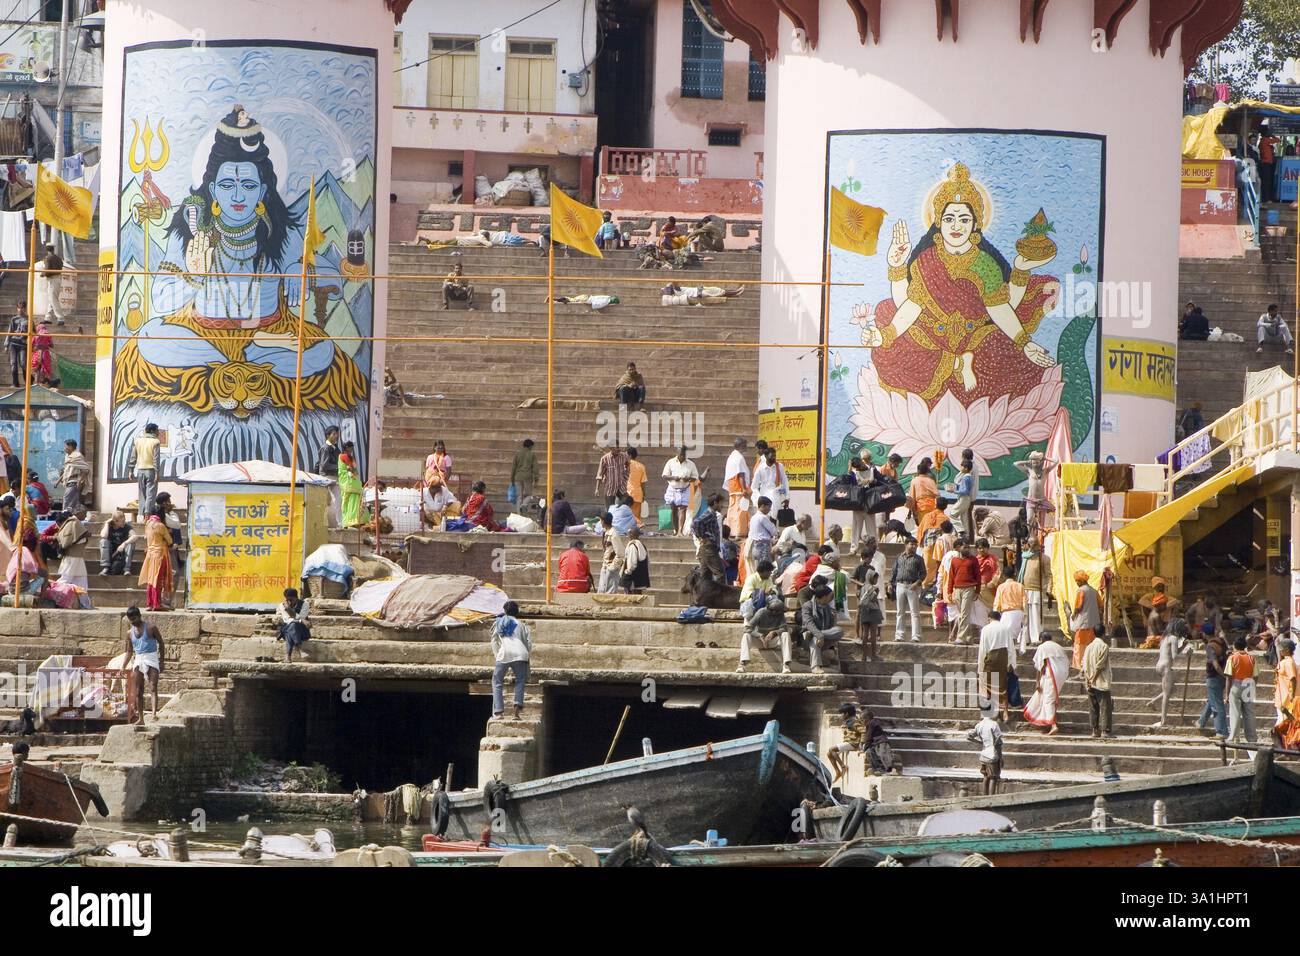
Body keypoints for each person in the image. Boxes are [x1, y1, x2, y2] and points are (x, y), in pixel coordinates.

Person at [490, 600, 532, 720]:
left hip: (504, 653)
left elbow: (494, 641)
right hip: (521, 654)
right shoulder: (522, 625)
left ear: (505, 611)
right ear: (517, 612)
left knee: (497, 681)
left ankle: (498, 712)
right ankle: (516, 712)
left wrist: (497, 654)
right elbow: (529, 643)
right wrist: (526, 655)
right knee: (520, 681)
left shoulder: (499, 622)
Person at [1024, 630, 1071, 734]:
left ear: (1041, 639)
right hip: (1061, 675)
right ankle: (1050, 722)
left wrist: (1037, 682)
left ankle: (1053, 725)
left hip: (1051, 675)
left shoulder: (1042, 647)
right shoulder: (1058, 646)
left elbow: (1040, 665)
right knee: (1051, 698)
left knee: (1048, 699)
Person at [122, 606, 164, 722]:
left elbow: (161, 643)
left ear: (140, 616)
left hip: (151, 657)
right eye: (131, 620)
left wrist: (162, 661)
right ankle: (141, 719)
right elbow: (129, 651)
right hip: (138, 659)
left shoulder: (151, 627)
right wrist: (123, 666)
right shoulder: (129, 633)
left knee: (153, 687)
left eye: (135, 619)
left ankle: (154, 714)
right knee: (139, 691)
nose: (133, 622)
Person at [738, 589, 792, 674]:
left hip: (772, 641)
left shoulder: (780, 614)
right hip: (760, 641)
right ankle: (742, 664)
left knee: (785, 634)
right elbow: (747, 628)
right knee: (746, 636)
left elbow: (784, 628)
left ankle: (786, 665)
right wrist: (759, 635)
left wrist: (774, 632)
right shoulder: (761, 612)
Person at [978, 610, 1017, 721]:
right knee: (1002, 686)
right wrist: (1011, 663)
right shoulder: (1006, 628)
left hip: (991, 658)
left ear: (989, 618)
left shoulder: (986, 629)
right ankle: (1005, 713)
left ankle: (992, 712)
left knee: (988, 685)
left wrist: (980, 667)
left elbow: (982, 650)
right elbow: (1011, 647)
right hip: (1003, 658)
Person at [801, 581, 844, 674]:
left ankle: (819, 641)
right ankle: (815, 666)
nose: (831, 599)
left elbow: (830, 628)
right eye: (829, 596)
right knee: (813, 635)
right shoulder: (807, 606)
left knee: (839, 631)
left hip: (823, 638)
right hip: (808, 638)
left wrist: (833, 619)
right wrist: (818, 634)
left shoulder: (828, 608)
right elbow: (808, 623)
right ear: (824, 597)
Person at [137, 505, 174, 611]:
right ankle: (157, 604)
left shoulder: (147, 524)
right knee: (158, 579)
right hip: (159, 554)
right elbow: (170, 541)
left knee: (151, 580)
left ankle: (150, 603)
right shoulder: (160, 525)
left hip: (150, 554)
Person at [890, 538, 926, 643]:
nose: (914, 546)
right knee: (900, 612)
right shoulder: (899, 557)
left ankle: (916, 636)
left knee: (914, 613)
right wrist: (890, 583)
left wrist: (917, 583)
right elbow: (894, 571)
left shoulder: (919, 559)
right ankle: (899, 635)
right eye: (912, 544)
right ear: (906, 545)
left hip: (912, 586)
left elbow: (923, 574)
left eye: (915, 545)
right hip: (900, 585)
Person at [1197, 630, 1230, 741]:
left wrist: (1223, 675)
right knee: (1212, 700)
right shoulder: (1221, 642)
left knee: (1217, 705)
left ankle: (1222, 732)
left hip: (1215, 677)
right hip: (1221, 677)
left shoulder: (1210, 646)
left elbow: (1215, 665)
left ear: (1205, 634)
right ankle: (1201, 722)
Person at [1225, 635, 1257, 747]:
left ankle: (1234, 737)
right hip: (1249, 684)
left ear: (1235, 646)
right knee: (1249, 712)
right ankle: (1252, 738)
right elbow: (1256, 675)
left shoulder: (1232, 658)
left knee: (1235, 712)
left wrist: (1227, 694)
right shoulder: (1251, 658)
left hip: (1236, 684)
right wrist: (1252, 686)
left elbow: (1229, 677)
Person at [1081, 628, 1113, 739]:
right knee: (1105, 706)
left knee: (1093, 707)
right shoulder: (1104, 646)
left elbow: (1083, 664)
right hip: (1101, 682)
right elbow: (1100, 665)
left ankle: (1095, 731)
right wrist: (1093, 679)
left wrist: (1088, 680)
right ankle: (1105, 731)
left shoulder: (1088, 647)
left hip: (1089, 682)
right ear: (1104, 633)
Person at [966, 702, 1004, 795]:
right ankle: (991, 799)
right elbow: (998, 743)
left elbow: (969, 736)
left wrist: (980, 742)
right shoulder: (994, 725)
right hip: (992, 755)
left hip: (983, 755)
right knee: (993, 778)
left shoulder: (979, 725)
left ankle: (984, 796)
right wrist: (1001, 757)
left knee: (986, 776)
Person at [1019, 539, 1050, 648]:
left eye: (1034, 544)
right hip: (1024, 590)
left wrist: (1047, 588)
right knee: (1025, 616)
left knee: (1035, 615)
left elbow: (1049, 575)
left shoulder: (1044, 558)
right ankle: (1025, 638)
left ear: (1038, 545)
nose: (1032, 547)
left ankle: (1036, 638)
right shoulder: (1025, 557)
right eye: (1030, 544)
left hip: (1036, 590)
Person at [662, 447, 699, 535]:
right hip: (673, 488)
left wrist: (688, 479)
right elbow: (664, 476)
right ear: (677, 454)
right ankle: (676, 529)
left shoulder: (691, 464)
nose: (682, 456)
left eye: (684, 455)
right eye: (681, 455)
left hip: (685, 488)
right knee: (673, 509)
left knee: (683, 509)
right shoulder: (670, 462)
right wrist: (674, 478)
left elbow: (695, 477)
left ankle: (680, 531)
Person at [949, 544, 981, 645]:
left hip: (969, 587)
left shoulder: (973, 560)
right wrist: (950, 591)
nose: (967, 549)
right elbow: (951, 576)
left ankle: (961, 637)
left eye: (968, 547)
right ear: (959, 548)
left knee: (964, 613)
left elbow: (978, 576)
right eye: (964, 547)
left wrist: (977, 591)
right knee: (962, 614)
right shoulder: (954, 560)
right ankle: (969, 637)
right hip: (957, 588)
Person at [1069, 569, 1101, 670]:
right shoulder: (1094, 591)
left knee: (1079, 645)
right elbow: (1101, 605)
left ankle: (1078, 665)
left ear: (1081, 581)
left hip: (1083, 623)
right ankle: (1090, 664)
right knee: (1090, 644)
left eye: (1077, 581)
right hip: (1094, 624)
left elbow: (1078, 606)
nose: (1077, 584)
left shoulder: (1081, 590)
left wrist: (1073, 614)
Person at [128, 423, 161, 518]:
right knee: (151, 494)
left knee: (142, 494)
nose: (158, 432)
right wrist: (157, 473)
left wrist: (130, 470)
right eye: (157, 430)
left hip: (140, 471)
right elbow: (156, 459)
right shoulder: (155, 442)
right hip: (151, 471)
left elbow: (133, 457)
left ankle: (140, 515)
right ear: (153, 431)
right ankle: (147, 515)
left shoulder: (138, 441)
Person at [827, 702, 864, 784]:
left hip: (853, 743)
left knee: (832, 749)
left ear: (846, 714)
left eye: (842, 714)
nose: (841, 716)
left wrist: (861, 745)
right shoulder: (849, 721)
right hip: (849, 743)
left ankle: (843, 766)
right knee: (829, 754)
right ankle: (838, 772)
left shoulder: (854, 721)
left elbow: (863, 731)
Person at [723, 438, 751, 539]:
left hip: (733, 488)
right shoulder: (739, 458)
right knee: (740, 511)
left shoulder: (731, 456)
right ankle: (739, 532)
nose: (746, 446)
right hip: (739, 488)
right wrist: (744, 489)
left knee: (733, 510)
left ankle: (732, 531)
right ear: (741, 445)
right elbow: (740, 474)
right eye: (745, 444)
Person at [98, 510, 140, 577]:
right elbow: (103, 536)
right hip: (111, 553)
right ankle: (106, 567)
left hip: (122, 553)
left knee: (131, 543)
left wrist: (124, 544)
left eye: (124, 520)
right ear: (115, 521)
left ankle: (126, 569)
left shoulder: (126, 527)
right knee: (103, 541)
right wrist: (106, 524)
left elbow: (135, 536)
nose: (124, 522)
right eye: (122, 521)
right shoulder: (109, 526)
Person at [338, 440, 368, 528]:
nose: (351, 449)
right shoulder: (343, 456)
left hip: (352, 481)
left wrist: (352, 470)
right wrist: (351, 470)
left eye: (352, 448)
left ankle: (354, 520)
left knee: (352, 500)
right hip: (348, 481)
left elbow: (353, 468)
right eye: (350, 447)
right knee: (349, 500)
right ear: (346, 448)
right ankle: (350, 520)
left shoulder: (350, 457)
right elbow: (352, 468)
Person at [751, 446, 790, 515]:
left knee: (774, 520)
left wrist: (787, 497)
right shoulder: (760, 468)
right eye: (772, 456)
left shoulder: (779, 467)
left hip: (776, 498)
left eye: (775, 456)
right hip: (764, 499)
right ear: (766, 456)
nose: (774, 458)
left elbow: (785, 482)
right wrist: (758, 499)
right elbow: (754, 486)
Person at [276, 588, 311, 662]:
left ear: (296, 598)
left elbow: (302, 617)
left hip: (302, 631)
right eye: (287, 600)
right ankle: (300, 649)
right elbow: (287, 620)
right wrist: (301, 620)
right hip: (286, 628)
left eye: (291, 600)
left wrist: (290, 610)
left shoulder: (305, 604)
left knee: (292, 627)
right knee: (292, 626)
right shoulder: (282, 605)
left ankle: (288, 656)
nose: (289, 602)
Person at [316, 426, 342, 527]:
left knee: (337, 500)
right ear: (328, 435)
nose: (337, 436)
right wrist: (339, 468)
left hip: (334, 477)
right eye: (334, 434)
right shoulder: (325, 448)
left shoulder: (336, 448)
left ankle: (338, 523)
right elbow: (325, 465)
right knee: (325, 501)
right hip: (326, 477)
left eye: (337, 434)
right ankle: (323, 523)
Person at [857, 567, 883, 661]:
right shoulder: (873, 588)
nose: (876, 580)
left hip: (864, 612)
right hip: (873, 613)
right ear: (871, 578)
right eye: (875, 578)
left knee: (864, 634)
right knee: (873, 635)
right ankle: (873, 655)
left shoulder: (863, 587)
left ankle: (864, 656)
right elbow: (874, 600)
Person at [58, 439, 90, 514]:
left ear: (71, 447)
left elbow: (85, 469)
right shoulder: (68, 457)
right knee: (74, 501)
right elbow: (67, 469)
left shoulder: (77, 456)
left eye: (66, 446)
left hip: (74, 481)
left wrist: (80, 480)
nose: (64, 448)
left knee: (67, 499)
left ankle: (64, 516)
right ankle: (74, 516)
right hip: (68, 481)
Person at [946, 458, 974, 541]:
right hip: (966, 499)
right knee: (964, 517)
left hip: (963, 499)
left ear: (965, 468)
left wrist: (954, 491)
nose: (960, 468)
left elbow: (965, 490)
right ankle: (966, 536)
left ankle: (961, 531)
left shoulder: (965, 477)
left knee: (952, 514)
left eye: (961, 466)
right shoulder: (968, 477)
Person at [37, 244, 64, 325]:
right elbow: (61, 266)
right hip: (58, 278)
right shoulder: (58, 258)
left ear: (47, 250)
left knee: (53, 299)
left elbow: (47, 270)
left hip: (52, 279)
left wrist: (43, 274)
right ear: (53, 249)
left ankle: (60, 318)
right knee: (51, 299)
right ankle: (48, 317)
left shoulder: (48, 258)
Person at [620, 525, 650, 595]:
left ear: (632, 534)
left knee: (631, 596)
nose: (627, 535)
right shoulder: (642, 545)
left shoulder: (633, 546)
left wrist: (627, 572)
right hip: (641, 577)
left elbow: (632, 563)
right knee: (638, 594)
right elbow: (648, 561)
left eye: (629, 533)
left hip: (633, 578)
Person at [510, 438, 539, 504]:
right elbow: (535, 468)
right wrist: (536, 479)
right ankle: (524, 506)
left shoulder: (517, 454)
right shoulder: (532, 455)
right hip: (527, 477)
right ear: (530, 446)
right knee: (528, 495)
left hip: (518, 477)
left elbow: (513, 467)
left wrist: (512, 479)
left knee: (519, 497)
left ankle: (519, 512)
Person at [625, 447, 647, 526]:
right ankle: (636, 531)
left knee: (627, 516)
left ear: (630, 455)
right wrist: (644, 494)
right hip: (638, 494)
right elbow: (643, 482)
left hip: (627, 494)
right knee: (636, 516)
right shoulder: (641, 466)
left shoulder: (627, 464)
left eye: (626, 454)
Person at [5, 301, 25, 388]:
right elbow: (10, 331)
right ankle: (15, 383)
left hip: (23, 345)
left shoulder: (28, 319)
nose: (20, 309)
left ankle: (28, 381)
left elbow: (33, 332)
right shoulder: (14, 319)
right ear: (17, 308)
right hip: (13, 343)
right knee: (13, 364)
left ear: (25, 308)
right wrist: (6, 344)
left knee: (23, 363)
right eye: (19, 307)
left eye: (22, 307)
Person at [29, 320, 54, 386]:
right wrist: (46, 344)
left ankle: (37, 383)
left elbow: (31, 345)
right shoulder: (48, 335)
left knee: (37, 369)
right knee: (44, 368)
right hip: (45, 353)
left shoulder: (35, 335)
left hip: (37, 353)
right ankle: (43, 382)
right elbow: (52, 345)